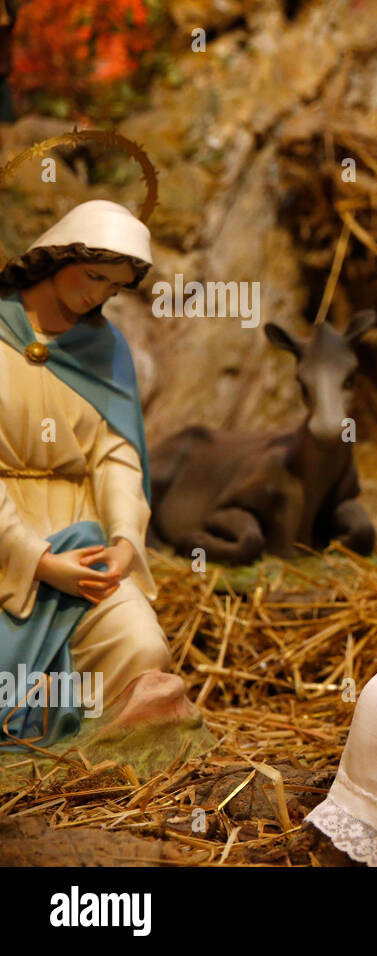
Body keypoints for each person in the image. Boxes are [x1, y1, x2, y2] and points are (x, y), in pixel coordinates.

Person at [0, 199, 194, 750]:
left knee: (142, 648)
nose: (98, 296)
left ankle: (100, 755)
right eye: (92, 276)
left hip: (83, 543)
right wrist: (35, 561)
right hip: (7, 548)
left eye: (112, 287)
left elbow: (115, 455)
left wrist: (125, 538)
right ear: (55, 255)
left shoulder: (103, 348)